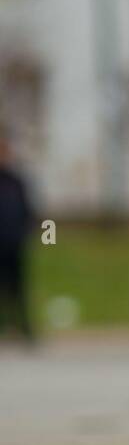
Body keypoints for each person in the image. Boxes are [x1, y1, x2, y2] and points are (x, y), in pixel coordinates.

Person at [0, 134, 35, 342]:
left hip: (15, 243)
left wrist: (29, 232)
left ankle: (24, 328)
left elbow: (28, 209)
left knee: (19, 288)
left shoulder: (16, 181)